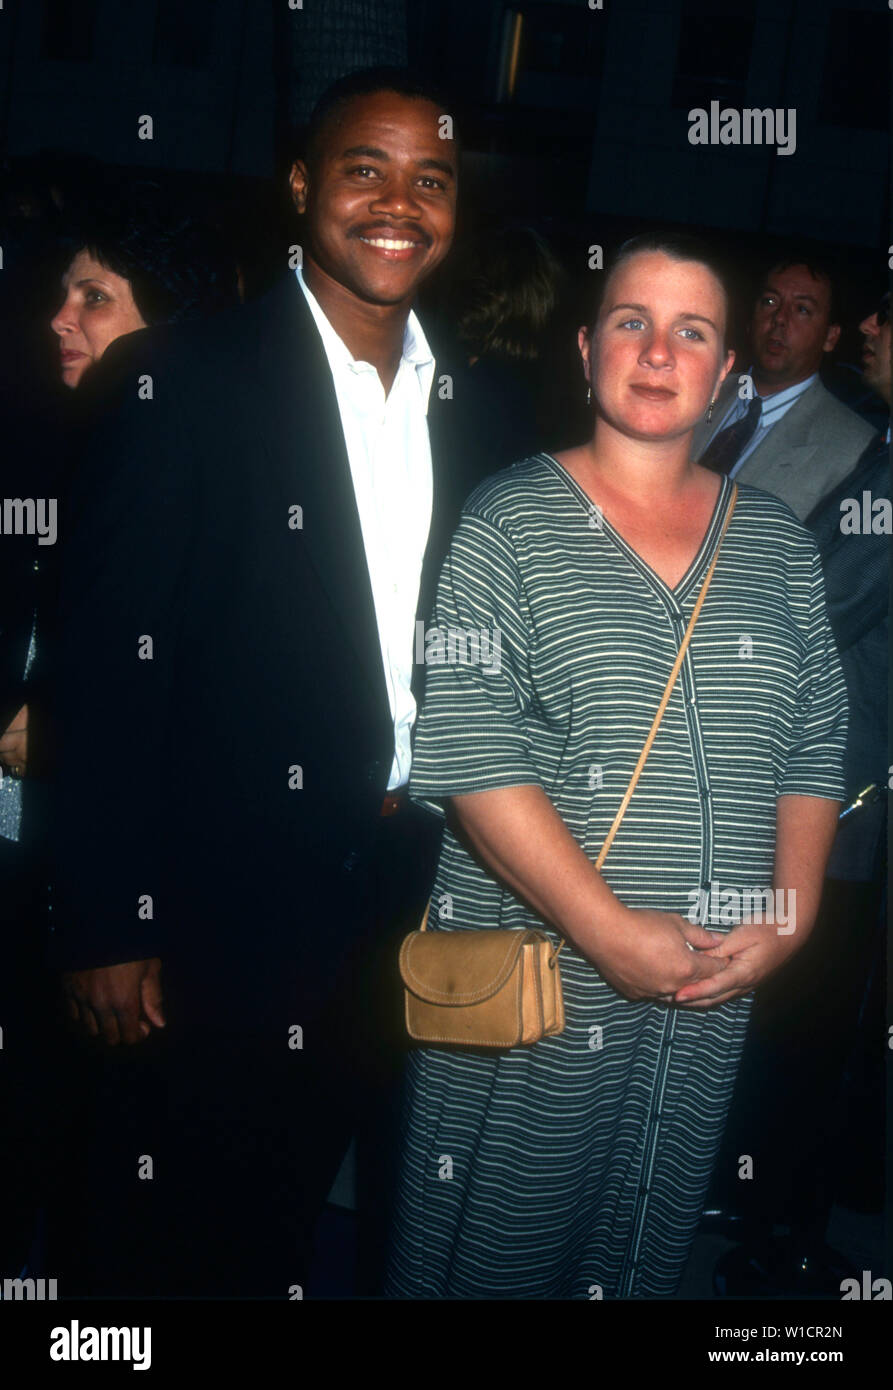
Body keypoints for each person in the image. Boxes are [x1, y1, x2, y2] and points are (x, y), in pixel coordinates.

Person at [48, 68, 477, 1298]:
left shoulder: (480, 405)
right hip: (206, 911)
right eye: (363, 169)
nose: (398, 202)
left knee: (297, 1230)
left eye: (430, 179)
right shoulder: (182, 378)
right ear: (299, 187)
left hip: (398, 903)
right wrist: (107, 918)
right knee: (151, 1239)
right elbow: (104, 661)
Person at [384, 233, 847, 1299]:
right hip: (540, 973)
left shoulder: (776, 543)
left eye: (690, 331)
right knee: (494, 1254)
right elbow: (467, 746)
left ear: (726, 373)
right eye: (631, 321)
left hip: (704, 978)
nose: (656, 349)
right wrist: (609, 934)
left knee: (635, 1248)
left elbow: (817, 737)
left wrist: (790, 912)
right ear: (587, 348)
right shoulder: (507, 520)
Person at [708, 287, 890, 1295]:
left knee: (812, 1026)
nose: (865, 327)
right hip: (843, 789)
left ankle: (782, 1233)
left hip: (847, 800)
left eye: (882, 315)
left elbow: (803, 601)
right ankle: (770, 1203)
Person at [692, 258, 877, 518]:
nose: (779, 319)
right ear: (750, 319)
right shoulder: (696, 391)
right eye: (769, 302)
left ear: (830, 337)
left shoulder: (854, 449)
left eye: (802, 309)